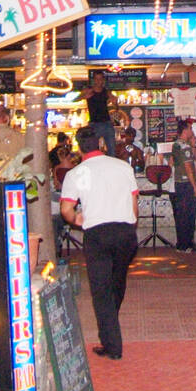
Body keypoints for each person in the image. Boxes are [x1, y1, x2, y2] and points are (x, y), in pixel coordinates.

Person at [60, 125, 139, 359]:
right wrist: (131, 222)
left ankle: (112, 344)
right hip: (125, 232)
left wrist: (76, 218)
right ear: (101, 144)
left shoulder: (75, 174)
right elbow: (134, 204)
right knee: (117, 282)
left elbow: (66, 209)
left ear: (78, 147)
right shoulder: (123, 167)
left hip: (98, 234)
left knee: (101, 290)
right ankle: (109, 328)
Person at [171, 118, 196, 253]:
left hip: (179, 183)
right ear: (185, 130)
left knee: (181, 215)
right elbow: (189, 166)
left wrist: (193, 146)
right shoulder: (184, 146)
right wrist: (195, 186)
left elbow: (176, 162)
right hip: (186, 184)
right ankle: (187, 244)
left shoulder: (176, 144)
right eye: (190, 128)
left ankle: (182, 243)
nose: (192, 131)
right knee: (188, 215)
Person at [80, 70, 118, 154]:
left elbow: (116, 108)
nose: (98, 81)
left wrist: (115, 102)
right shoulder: (88, 90)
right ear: (94, 80)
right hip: (94, 125)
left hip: (107, 123)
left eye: (100, 79)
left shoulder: (106, 92)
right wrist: (83, 96)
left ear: (103, 80)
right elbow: (74, 99)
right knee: (92, 150)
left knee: (112, 150)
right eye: (96, 79)